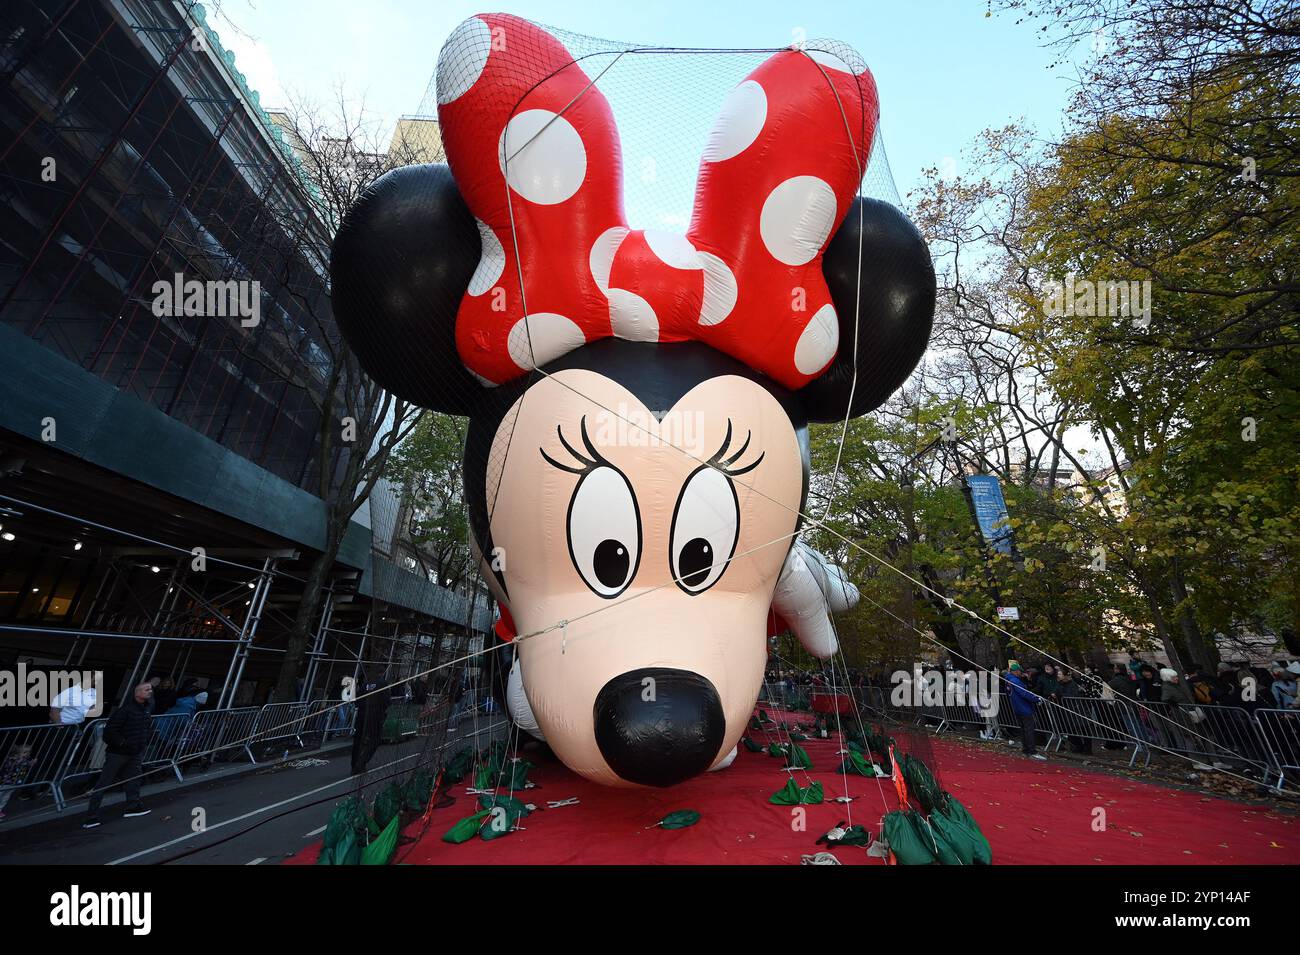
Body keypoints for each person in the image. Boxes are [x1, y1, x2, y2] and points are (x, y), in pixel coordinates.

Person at [81, 683, 153, 828]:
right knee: (104, 782)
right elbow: (110, 731)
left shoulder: (145, 710)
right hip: (118, 753)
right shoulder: (125, 710)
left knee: (134, 780)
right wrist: (122, 743)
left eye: (150, 689)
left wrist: (140, 745)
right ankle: (91, 815)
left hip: (134, 751)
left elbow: (144, 729)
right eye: (147, 689)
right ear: (137, 692)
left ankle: (133, 806)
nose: (150, 691)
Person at [1005, 662, 1046, 760]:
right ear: (1015, 671)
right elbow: (1024, 693)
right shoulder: (1015, 681)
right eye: (1019, 671)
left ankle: (1026, 749)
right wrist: (1037, 699)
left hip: (1017, 707)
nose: (1020, 673)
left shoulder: (1008, 680)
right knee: (1029, 730)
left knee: (1023, 730)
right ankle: (1031, 750)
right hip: (1024, 708)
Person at [0, 743, 34, 820]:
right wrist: (21, 762)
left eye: (29, 752)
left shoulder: (25, 761)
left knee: (5, 797)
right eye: (24, 752)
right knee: (0, 795)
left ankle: (0, 809)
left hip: (14, 783)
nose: (27, 754)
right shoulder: (12, 759)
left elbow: (26, 764)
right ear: (18, 753)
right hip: (5, 782)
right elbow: (10, 766)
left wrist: (31, 763)